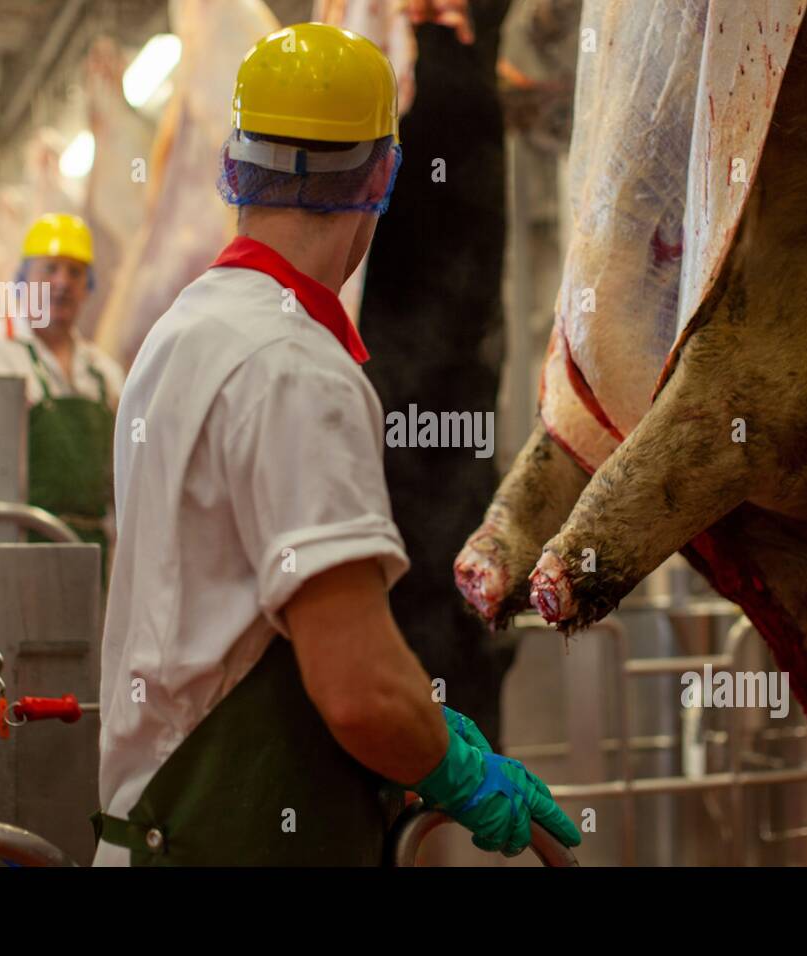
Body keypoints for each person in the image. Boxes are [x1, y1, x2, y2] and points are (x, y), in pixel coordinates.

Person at [92, 22, 580, 866]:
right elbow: (355, 692)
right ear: (385, 175)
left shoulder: (185, 332)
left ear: (231, 167)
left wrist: (420, 726)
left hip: (165, 834)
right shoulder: (298, 372)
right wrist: (455, 766)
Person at [0, 213, 124, 552]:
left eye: (75, 272)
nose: (63, 282)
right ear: (22, 280)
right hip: (11, 548)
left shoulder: (104, 374)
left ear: (88, 287)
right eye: (50, 269)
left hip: (90, 553)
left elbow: (121, 475)